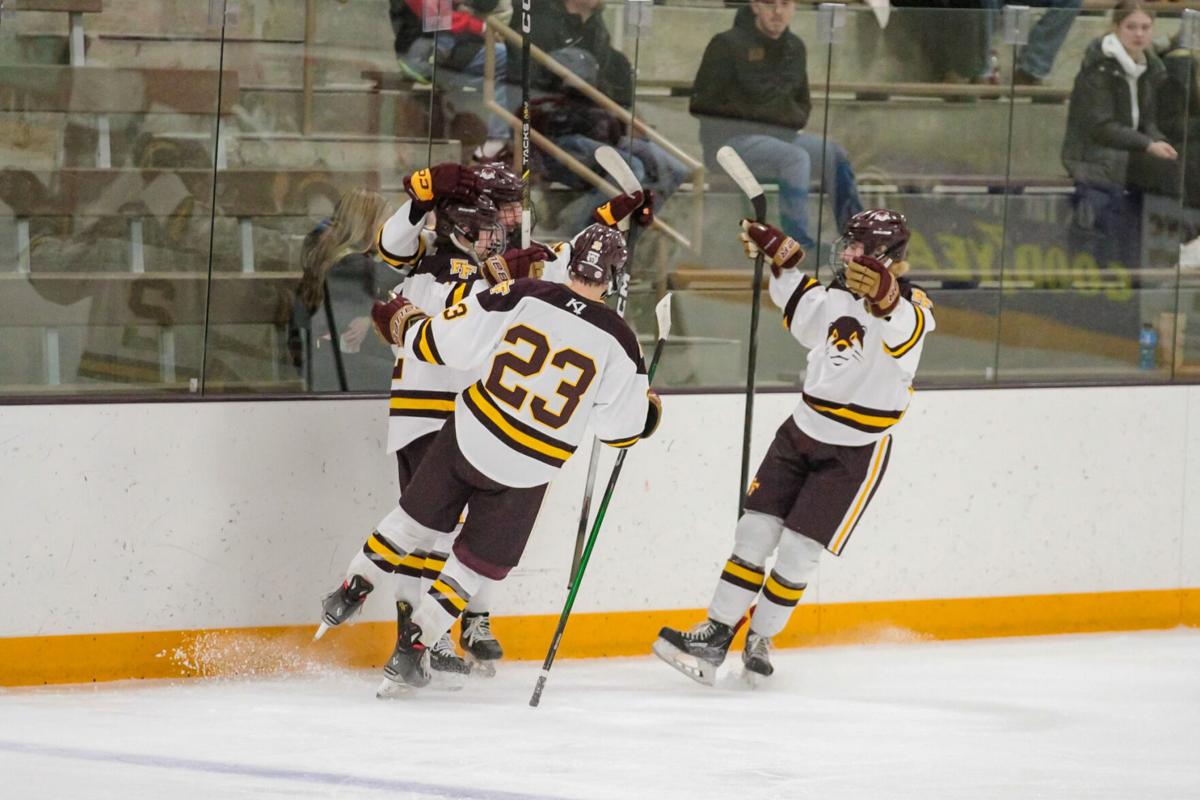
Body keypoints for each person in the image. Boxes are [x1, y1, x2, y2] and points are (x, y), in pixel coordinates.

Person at [316, 162, 651, 680]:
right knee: (430, 532)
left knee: (433, 529)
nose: (514, 217)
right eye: (505, 208)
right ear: (469, 219)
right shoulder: (433, 264)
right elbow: (391, 248)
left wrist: (610, 219)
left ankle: (423, 630)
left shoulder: (508, 272)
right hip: (431, 412)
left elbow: (568, 266)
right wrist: (422, 202)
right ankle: (419, 638)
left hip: (471, 418)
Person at [654, 209, 934, 685]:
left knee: (799, 552)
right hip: (800, 431)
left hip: (854, 451)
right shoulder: (833, 298)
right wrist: (781, 261)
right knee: (753, 535)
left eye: (859, 248)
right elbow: (805, 313)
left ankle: (761, 638)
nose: (847, 254)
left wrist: (886, 297)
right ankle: (715, 633)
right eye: (848, 244)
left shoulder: (912, 310)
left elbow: (902, 329)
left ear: (887, 258)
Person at [690, 0, 863, 254]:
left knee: (833, 154)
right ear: (755, 6)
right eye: (770, 3)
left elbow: (802, 103)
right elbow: (701, 104)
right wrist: (761, 116)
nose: (778, 12)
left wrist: (781, 119)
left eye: (785, 4)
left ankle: (858, 240)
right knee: (796, 158)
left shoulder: (795, 48)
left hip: (783, 137)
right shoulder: (726, 44)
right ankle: (796, 245)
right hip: (731, 143)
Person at [524, 0, 687, 235]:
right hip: (559, 134)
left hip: (601, 128)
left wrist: (623, 118)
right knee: (631, 167)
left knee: (675, 169)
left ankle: (627, 236)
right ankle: (580, 234)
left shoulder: (598, 30)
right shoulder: (541, 22)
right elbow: (535, 89)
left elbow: (609, 89)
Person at [1061, 0, 1178, 270]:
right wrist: (1149, 144)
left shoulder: (1152, 68)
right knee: (1107, 210)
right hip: (1094, 156)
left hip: (1131, 156)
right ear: (1116, 28)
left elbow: (1148, 121)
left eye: (1145, 27)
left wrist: (1161, 143)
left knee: (1174, 175)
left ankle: (1152, 269)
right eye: (1131, 27)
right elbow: (1100, 127)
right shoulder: (1098, 68)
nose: (1139, 34)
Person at [288, 188, 396, 391]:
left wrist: (368, 317)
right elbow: (349, 319)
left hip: (322, 361)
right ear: (366, 225)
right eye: (386, 223)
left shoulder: (330, 255)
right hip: (339, 364)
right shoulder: (354, 264)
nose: (390, 230)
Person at [389, 0, 514, 160]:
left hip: (439, 46)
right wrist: (479, 26)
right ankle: (496, 138)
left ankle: (493, 139)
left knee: (502, 63)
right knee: (502, 56)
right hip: (419, 53)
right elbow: (437, 16)